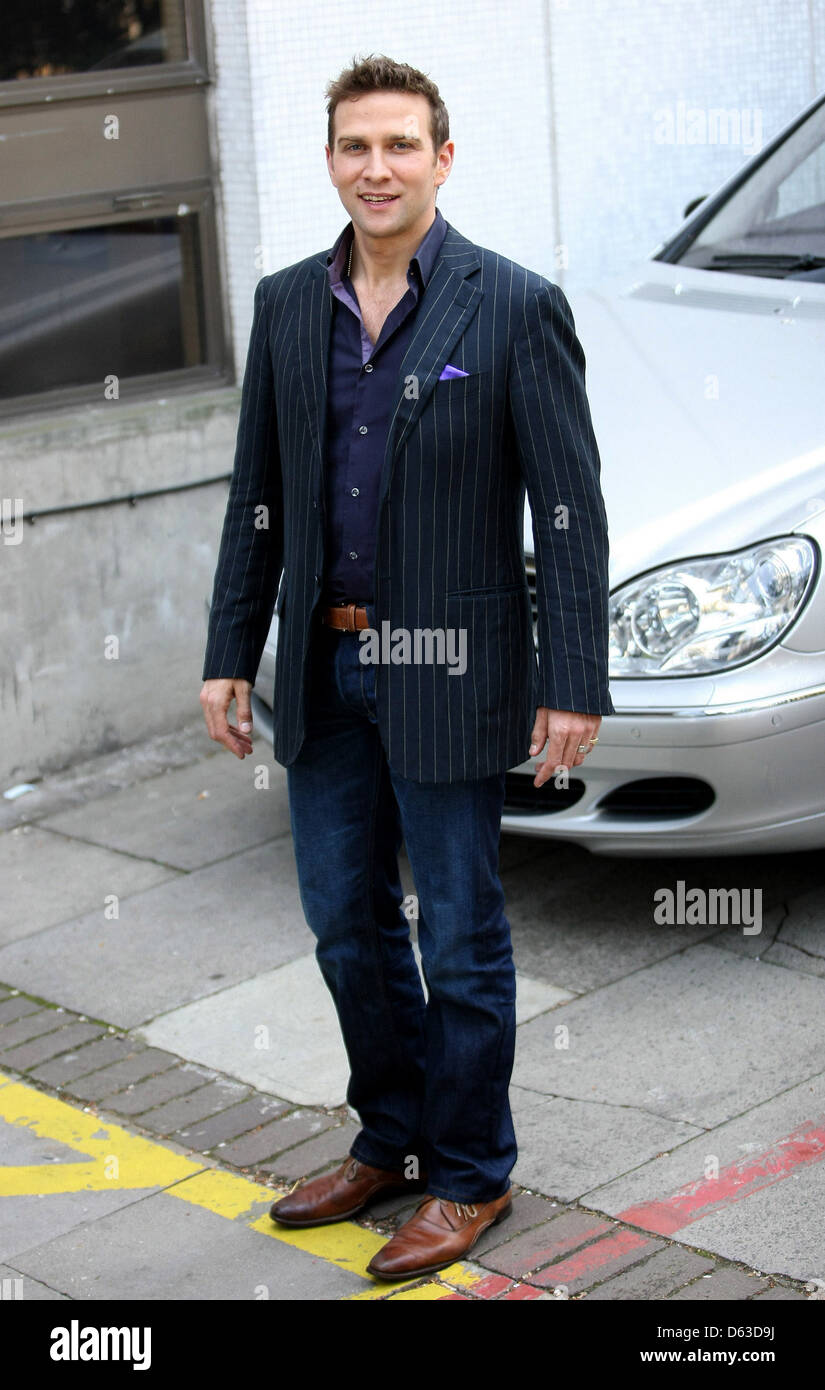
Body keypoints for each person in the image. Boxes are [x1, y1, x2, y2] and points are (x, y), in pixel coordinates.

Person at [200, 54, 614, 1282]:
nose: (375, 169)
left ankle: (473, 1174)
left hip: (452, 669)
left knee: (464, 936)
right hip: (328, 674)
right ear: (329, 159)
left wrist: (574, 676)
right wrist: (232, 652)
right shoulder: (286, 304)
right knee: (343, 923)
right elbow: (258, 500)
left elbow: (570, 510)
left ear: (443, 156)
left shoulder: (511, 303)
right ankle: (391, 1138)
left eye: (399, 146)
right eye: (353, 147)